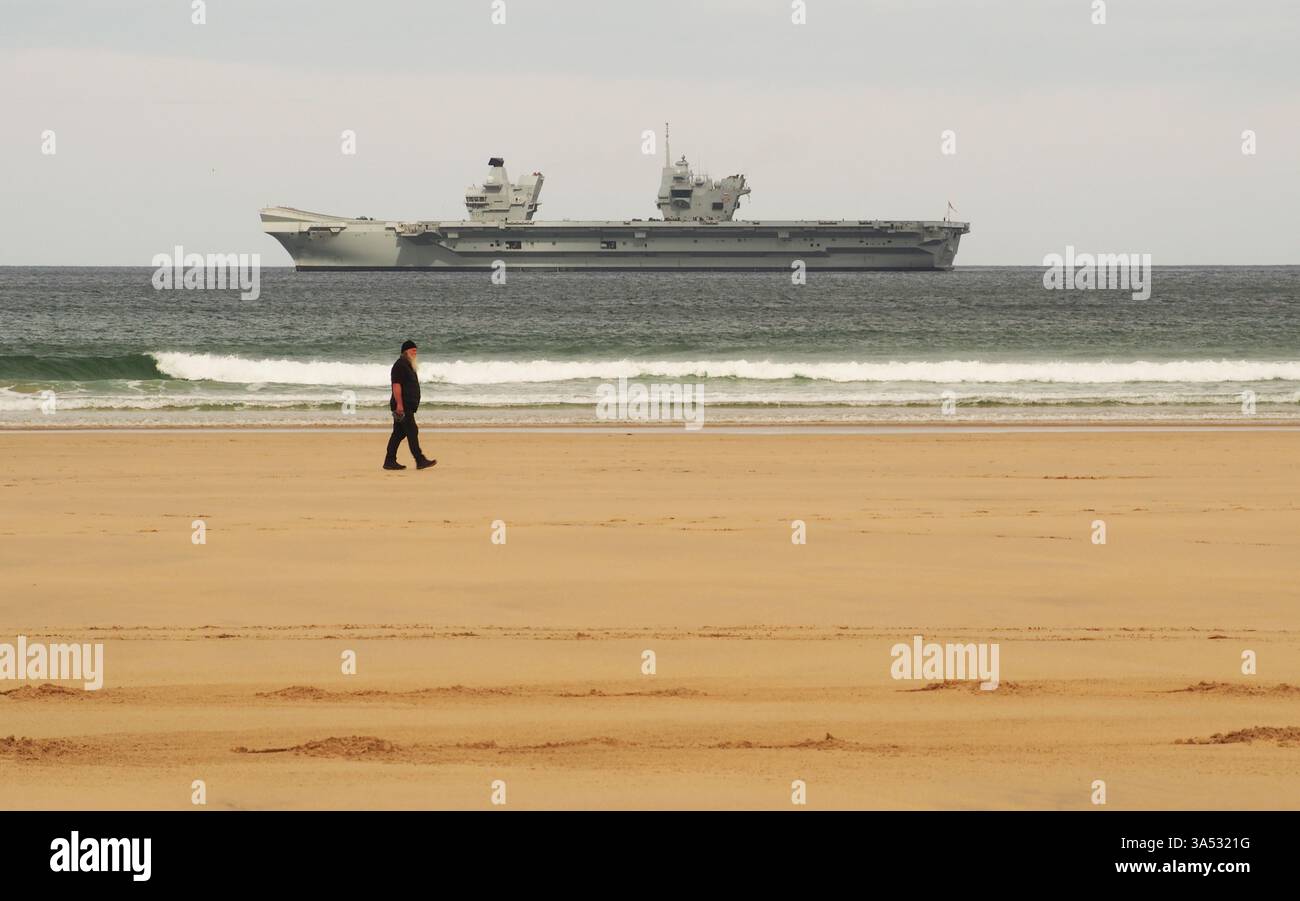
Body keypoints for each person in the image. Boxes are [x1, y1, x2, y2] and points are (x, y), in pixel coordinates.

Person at [383, 340, 436, 471]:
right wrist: (400, 405)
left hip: (406, 405)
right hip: (402, 406)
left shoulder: (408, 365)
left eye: (416, 351)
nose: (415, 353)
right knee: (412, 431)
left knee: (398, 433)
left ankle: (389, 461)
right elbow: (396, 385)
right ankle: (420, 460)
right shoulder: (400, 365)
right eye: (413, 350)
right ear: (406, 351)